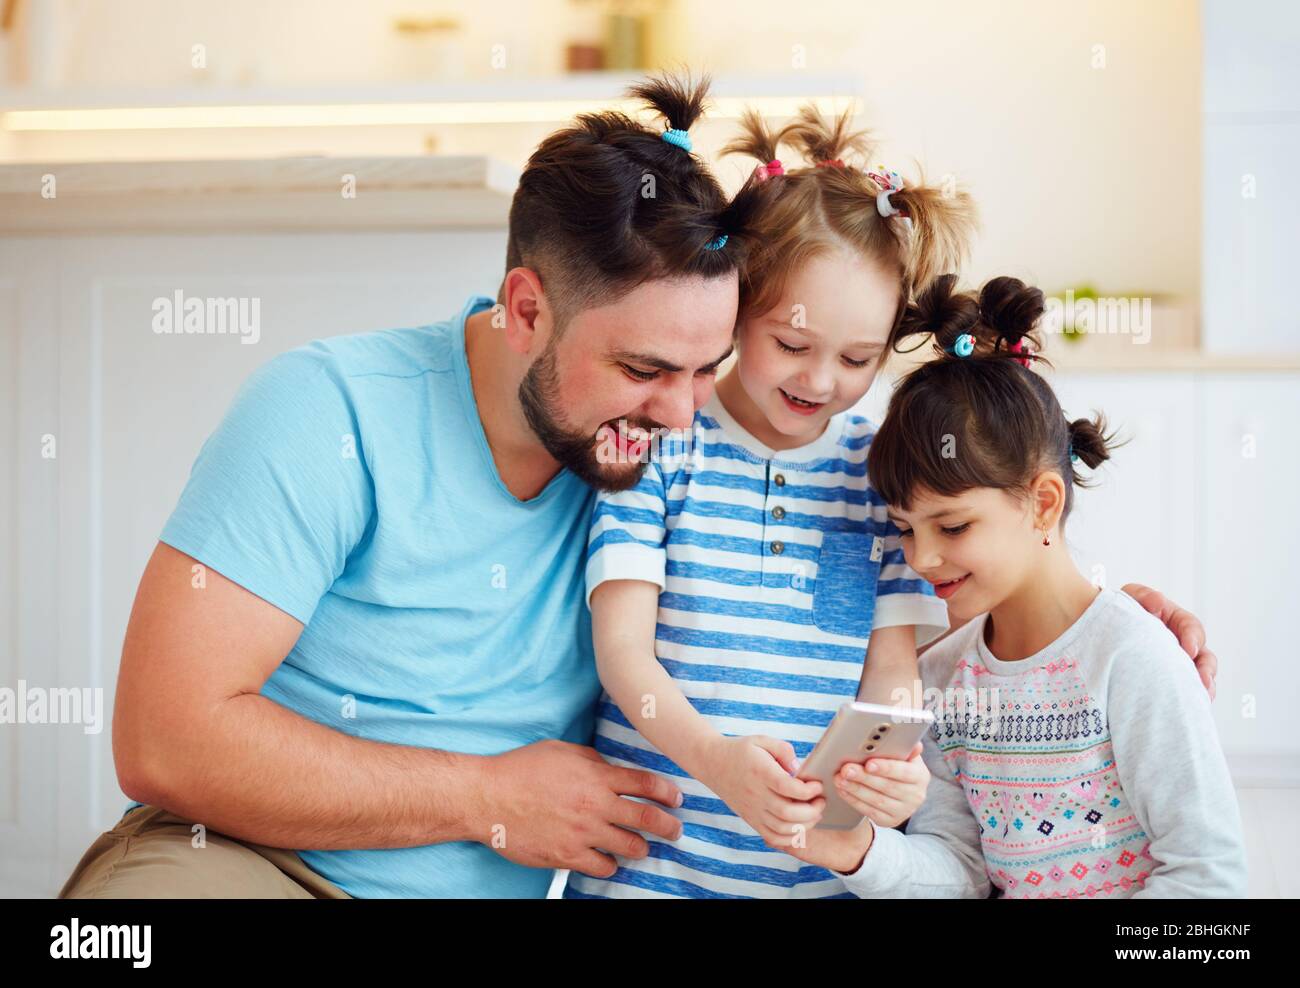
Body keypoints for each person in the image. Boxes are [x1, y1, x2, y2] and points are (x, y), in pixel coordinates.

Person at [564, 105, 976, 898]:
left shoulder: (880, 469)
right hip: (650, 869)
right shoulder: (663, 443)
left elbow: (892, 672)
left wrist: (890, 767)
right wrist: (717, 761)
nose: (820, 382)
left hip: (809, 877)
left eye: (858, 358)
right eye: (791, 344)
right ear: (736, 306)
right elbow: (622, 655)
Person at [783, 276, 1247, 898]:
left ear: (1043, 502)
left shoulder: (1133, 659)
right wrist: (858, 851)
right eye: (904, 529)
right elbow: (958, 870)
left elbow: (1210, 883)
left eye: (952, 525)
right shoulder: (942, 678)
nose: (922, 557)